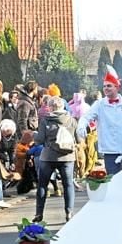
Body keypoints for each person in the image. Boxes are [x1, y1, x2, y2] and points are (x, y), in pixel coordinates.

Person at [78, 65, 122, 176]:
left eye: (109, 86)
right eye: (104, 86)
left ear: (117, 87)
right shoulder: (99, 105)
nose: (106, 88)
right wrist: (81, 126)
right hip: (110, 151)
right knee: (113, 181)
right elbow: (86, 117)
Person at [32, 96, 80, 224]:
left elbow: (40, 140)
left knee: (42, 184)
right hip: (67, 157)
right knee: (68, 184)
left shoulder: (45, 121)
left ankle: (39, 213)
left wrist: (34, 135)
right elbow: (79, 140)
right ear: (63, 106)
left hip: (48, 157)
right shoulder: (72, 120)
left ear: (51, 107)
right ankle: (69, 212)